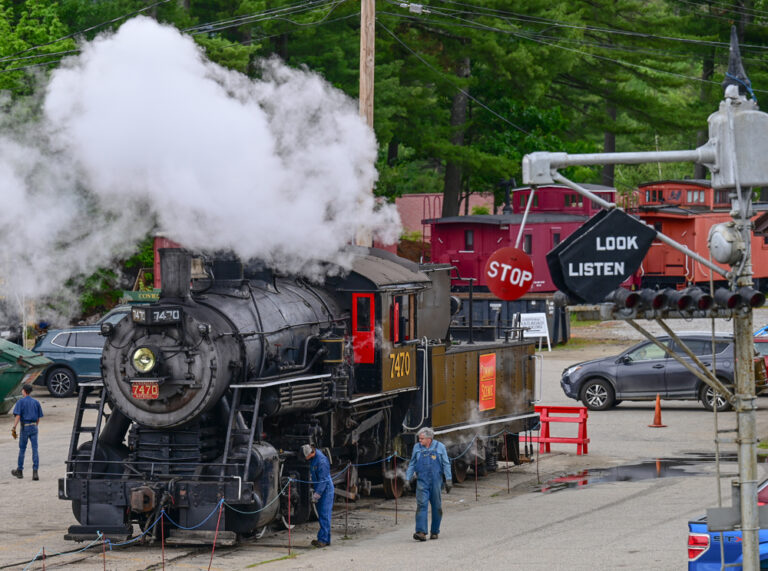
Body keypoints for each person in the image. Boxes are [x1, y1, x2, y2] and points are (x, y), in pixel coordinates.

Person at [405, 427, 452, 541]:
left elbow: (446, 464)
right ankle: (421, 532)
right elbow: (412, 463)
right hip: (422, 481)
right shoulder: (417, 447)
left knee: (437, 507)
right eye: (419, 438)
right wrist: (407, 478)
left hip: (436, 481)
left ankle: (435, 531)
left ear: (429, 438)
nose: (419, 441)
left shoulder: (440, 447)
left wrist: (449, 479)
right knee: (422, 505)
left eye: (422, 439)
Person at [302, 444, 334, 548]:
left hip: (325, 490)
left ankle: (323, 540)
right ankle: (325, 539)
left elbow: (323, 480)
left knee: (324, 514)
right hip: (321, 489)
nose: (305, 458)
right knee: (323, 514)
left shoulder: (322, 461)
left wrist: (317, 495)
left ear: (312, 453)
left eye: (306, 456)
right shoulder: (314, 458)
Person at [11, 384, 44, 480]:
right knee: (35, 449)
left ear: (24, 391)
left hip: (25, 427)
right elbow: (38, 418)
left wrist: (14, 427)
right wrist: (35, 426)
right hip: (34, 427)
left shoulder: (20, 402)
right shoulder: (36, 402)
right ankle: (35, 472)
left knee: (22, 449)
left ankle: (20, 471)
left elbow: (18, 416)